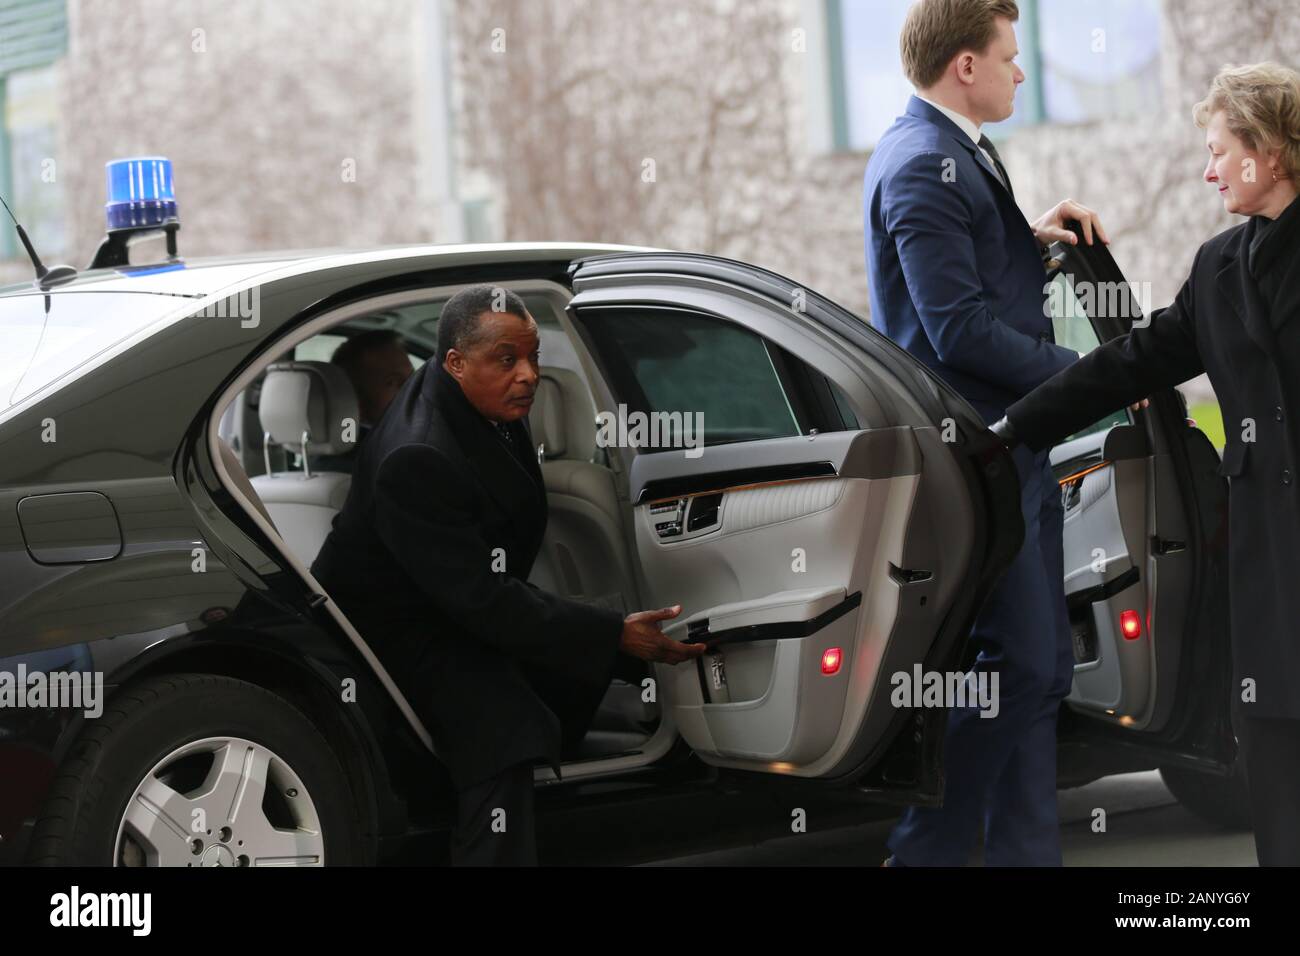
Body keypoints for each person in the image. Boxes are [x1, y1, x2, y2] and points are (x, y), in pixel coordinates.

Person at [991, 62, 1300, 866]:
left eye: (1218, 151)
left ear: (1266, 151)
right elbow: (1133, 360)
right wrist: (1015, 425)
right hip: (1269, 559)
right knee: (1276, 761)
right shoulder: (1219, 266)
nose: (1206, 170)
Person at [310, 285, 704, 865]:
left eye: (534, 357)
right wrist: (615, 632)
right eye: (506, 360)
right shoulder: (418, 456)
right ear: (454, 362)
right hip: (392, 631)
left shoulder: (472, 397)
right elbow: (480, 601)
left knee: (563, 673)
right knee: (505, 733)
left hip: (444, 599)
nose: (528, 375)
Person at [864, 0, 1113, 865]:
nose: (1019, 70)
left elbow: (969, 284)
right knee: (1018, 669)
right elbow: (957, 332)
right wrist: (1086, 376)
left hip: (1011, 449)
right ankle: (926, 850)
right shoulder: (920, 162)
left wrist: (1031, 240)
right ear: (963, 66)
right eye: (1009, 57)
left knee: (1036, 673)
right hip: (980, 454)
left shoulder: (954, 153)